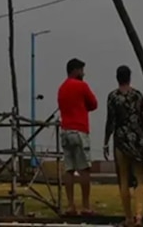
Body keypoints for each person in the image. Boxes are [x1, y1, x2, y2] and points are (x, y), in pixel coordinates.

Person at [103, 65, 143, 227]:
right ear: (129, 77)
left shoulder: (113, 97)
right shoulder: (138, 96)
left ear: (117, 78)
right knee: (139, 179)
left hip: (121, 140)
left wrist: (106, 141)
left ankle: (128, 217)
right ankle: (139, 217)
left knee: (123, 179)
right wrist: (142, 137)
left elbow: (110, 121)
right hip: (137, 140)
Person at [57, 57, 98, 216]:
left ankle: (70, 206)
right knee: (84, 169)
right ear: (75, 70)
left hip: (65, 130)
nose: (83, 73)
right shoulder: (82, 86)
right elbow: (93, 104)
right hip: (79, 130)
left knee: (69, 169)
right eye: (81, 70)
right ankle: (86, 206)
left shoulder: (62, 88)